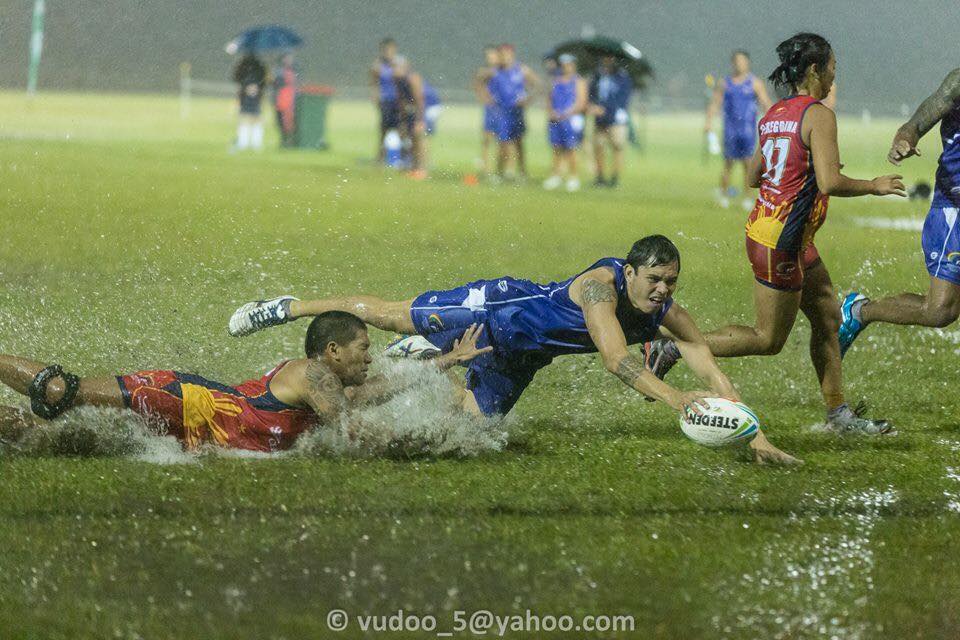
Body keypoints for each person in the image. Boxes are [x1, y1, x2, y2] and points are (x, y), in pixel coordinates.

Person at [227, 235, 799, 465]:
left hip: (522, 356)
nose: (662, 291)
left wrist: (753, 431)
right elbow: (617, 360)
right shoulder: (602, 288)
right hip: (498, 311)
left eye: (671, 282)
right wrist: (680, 402)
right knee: (385, 312)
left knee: (468, 428)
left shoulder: (668, 314)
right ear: (628, 272)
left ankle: (426, 357)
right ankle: (287, 306)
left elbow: (709, 363)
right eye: (653, 279)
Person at [645, 33, 905, 435]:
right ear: (816, 69)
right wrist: (875, 185)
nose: (836, 74)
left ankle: (839, 416)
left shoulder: (776, 113)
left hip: (783, 233)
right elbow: (831, 181)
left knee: (828, 317)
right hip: (781, 241)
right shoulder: (819, 115)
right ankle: (675, 345)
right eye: (833, 66)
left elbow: (752, 177)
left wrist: (796, 172)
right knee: (768, 339)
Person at [0, 313, 489, 453]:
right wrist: (424, 444)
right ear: (334, 352)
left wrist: (446, 361)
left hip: (198, 424)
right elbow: (348, 430)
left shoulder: (325, 381)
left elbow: (371, 391)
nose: (371, 357)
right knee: (58, 392)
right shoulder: (315, 375)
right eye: (364, 349)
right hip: (187, 402)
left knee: (45, 440)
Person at [839, 67, 960, 354]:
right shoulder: (958, 82)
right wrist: (905, 140)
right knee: (939, 311)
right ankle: (859, 311)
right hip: (953, 210)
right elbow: (915, 125)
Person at [705, 50, 773, 210]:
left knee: (748, 165)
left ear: (747, 63)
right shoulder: (725, 83)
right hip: (730, 130)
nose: (739, 64)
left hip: (747, 131)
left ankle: (748, 198)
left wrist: (773, 120)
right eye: (737, 61)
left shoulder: (754, 83)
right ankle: (723, 195)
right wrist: (708, 121)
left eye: (742, 61)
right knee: (728, 164)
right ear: (733, 63)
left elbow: (765, 103)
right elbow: (715, 103)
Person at [489, 44, 540, 181]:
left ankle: (522, 173)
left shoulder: (521, 70)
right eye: (501, 54)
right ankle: (499, 173)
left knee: (519, 143)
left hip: (517, 112)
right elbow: (479, 81)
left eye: (506, 54)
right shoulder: (495, 71)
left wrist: (528, 99)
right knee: (502, 143)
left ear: (511, 55)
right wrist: (488, 99)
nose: (503, 57)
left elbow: (537, 84)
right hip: (503, 112)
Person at [543, 54, 588, 192]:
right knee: (556, 148)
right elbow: (550, 99)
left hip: (570, 120)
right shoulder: (556, 81)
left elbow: (581, 102)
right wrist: (551, 112)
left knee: (571, 149)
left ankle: (573, 177)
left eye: (569, 64)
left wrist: (565, 113)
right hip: (556, 119)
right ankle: (556, 175)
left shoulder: (578, 81)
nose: (566, 67)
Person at [589, 55, 633, 188]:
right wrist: (594, 105)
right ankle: (600, 177)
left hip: (616, 119)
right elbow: (591, 93)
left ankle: (615, 178)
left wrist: (606, 109)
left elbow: (623, 99)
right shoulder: (597, 76)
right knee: (599, 147)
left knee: (617, 147)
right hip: (600, 120)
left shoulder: (622, 77)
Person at [393, 56, 427, 179]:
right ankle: (412, 167)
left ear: (405, 68)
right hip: (411, 108)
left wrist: (420, 121)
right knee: (409, 137)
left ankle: (421, 169)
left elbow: (420, 101)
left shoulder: (413, 79)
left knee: (418, 138)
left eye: (397, 67)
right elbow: (401, 99)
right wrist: (402, 118)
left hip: (425, 106)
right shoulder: (397, 79)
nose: (394, 70)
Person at [370, 38, 399, 163]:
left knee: (401, 129)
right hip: (386, 100)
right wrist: (376, 98)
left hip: (398, 101)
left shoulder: (400, 63)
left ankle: (401, 158)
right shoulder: (378, 65)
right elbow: (374, 84)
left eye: (390, 50)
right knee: (384, 129)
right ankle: (381, 158)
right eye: (385, 50)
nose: (388, 52)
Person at [473, 46, 501, 176]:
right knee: (487, 138)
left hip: (503, 109)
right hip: (491, 109)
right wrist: (484, 98)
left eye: (492, 55)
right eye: (488, 56)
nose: (490, 58)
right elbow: (477, 83)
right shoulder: (487, 71)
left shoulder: (503, 70)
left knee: (504, 140)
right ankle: (485, 167)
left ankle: (501, 168)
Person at [232, 52, 268, 151]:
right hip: (253, 97)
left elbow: (236, 78)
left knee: (245, 120)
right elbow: (265, 80)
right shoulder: (260, 66)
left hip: (246, 97)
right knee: (255, 120)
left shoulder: (242, 65)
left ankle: (244, 143)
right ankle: (255, 143)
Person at [273, 53, 298, 148]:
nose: (289, 61)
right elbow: (275, 84)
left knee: (289, 122)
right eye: (287, 59)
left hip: (289, 100)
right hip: (282, 100)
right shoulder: (279, 72)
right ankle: (285, 140)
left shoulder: (293, 71)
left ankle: (288, 141)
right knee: (282, 122)